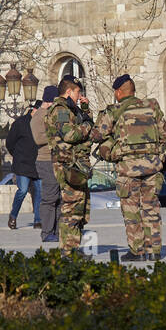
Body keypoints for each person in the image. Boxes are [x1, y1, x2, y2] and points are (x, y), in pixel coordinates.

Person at [95, 74, 166, 261]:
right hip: (152, 169)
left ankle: (137, 251)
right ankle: (154, 251)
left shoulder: (114, 111)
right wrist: (160, 158)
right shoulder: (152, 107)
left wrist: (112, 151)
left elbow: (97, 135)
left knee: (132, 212)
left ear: (118, 92)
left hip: (128, 171)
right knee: (151, 209)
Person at [45, 77, 95, 253]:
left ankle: (73, 247)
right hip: (68, 165)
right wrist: (87, 126)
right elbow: (70, 135)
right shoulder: (61, 110)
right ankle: (68, 250)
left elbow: (84, 123)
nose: (79, 96)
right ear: (68, 92)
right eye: (77, 92)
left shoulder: (70, 109)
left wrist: (85, 110)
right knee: (72, 209)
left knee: (80, 208)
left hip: (76, 164)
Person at [6, 99, 42, 230]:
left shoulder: (43, 123)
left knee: (40, 191)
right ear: (34, 110)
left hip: (38, 163)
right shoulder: (20, 123)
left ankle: (38, 220)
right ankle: (13, 216)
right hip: (22, 164)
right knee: (22, 190)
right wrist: (18, 155)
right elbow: (10, 143)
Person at [32, 85, 61, 242]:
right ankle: (47, 232)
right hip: (45, 160)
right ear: (51, 101)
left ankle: (57, 231)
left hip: (54, 159)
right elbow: (38, 139)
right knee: (50, 197)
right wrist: (58, 135)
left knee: (58, 197)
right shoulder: (39, 116)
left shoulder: (49, 114)